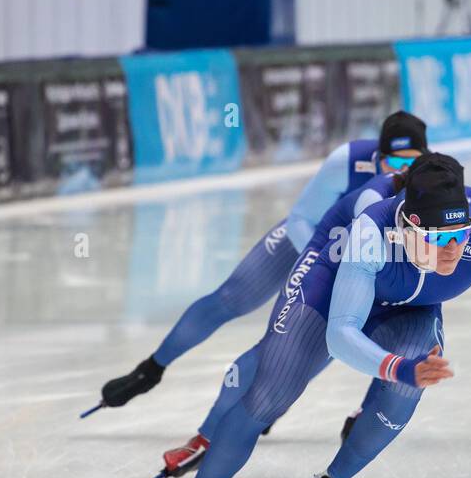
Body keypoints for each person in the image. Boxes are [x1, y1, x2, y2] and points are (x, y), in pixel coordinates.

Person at [140, 153, 471, 478]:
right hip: (329, 295)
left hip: (410, 309)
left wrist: (405, 373)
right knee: (267, 397)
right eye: (439, 239)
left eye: (460, 236)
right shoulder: (371, 235)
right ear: (409, 228)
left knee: (405, 391)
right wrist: (397, 365)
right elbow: (342, 334)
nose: (453, 251)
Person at [152, 153, 471, 478]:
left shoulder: (444, 201)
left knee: (392, 352)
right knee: (273, 362)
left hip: (390, 291)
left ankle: (361, 410)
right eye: (394, 163)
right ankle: (207, 437)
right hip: (336, 282)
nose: (397, 169)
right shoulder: (368, 195)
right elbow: (309, 229)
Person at [96, 112, 430, 414]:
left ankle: (281, 396)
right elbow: (299, 218)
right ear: (377, 156)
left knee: (334, 332)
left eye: (410, 161)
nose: (400, 170)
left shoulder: (433, 183)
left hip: (356, 259)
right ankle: (151, 368)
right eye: (391, 162)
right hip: (310, 242)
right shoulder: (347, 160)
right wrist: (320, 266)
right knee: (230, 298)